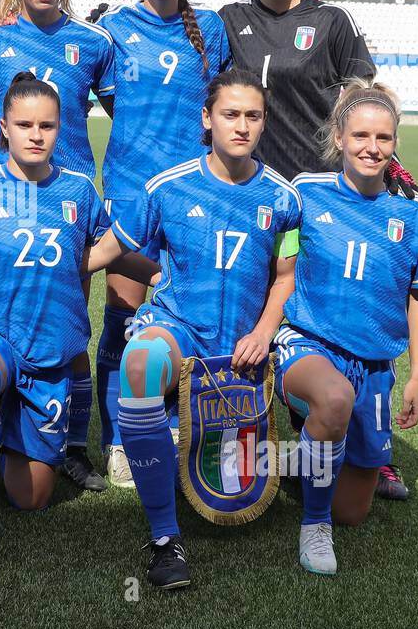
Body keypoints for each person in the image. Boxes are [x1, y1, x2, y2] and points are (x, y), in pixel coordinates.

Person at [219, 0, 418, 499]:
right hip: (271, 198)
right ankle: (249, 440)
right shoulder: (232, 21)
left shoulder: (330, 22)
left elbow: (367, 95)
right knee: (267, 314)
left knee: (355, 310)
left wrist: (381, 162)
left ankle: (370, 445)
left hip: (331, 197)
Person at [82, 69, 301, 589]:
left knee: (232, 482)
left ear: (264, 122)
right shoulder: (168, 187)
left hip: (241, 345)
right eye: (230, 114)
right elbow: (110, 250)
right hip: (176, 326)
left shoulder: (284, 199)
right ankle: (163, 538)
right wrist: (45, 266)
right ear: (208, 119)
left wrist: (265, 332)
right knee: (138, 368)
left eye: (252, 116)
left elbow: (286, 279)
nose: (241, 126)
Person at [0, 72, 117, 584]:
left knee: (31, 499)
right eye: (24, 125)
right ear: (3, 128)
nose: (36, 135)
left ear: (62, 129)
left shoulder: (79, 190)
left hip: (47, 347)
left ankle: (1, 433)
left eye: (47, 126)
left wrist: (87, 265)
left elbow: (95, 249)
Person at [0, 0, 115, 488]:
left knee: (69, 330)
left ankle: (71, 443)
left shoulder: (93, 44)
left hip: (66, 202)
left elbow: (116, 113)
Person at [86, 0, 232, 490]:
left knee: (182, 320)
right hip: (128, 191)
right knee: (125, 325)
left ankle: (174, 429)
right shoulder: (114, 30)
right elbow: (88, 97)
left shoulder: (210, 31)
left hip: (193, 201)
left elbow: (219, 107)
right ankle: (120, 441)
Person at [275, 78, 418, 574]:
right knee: (333, 399)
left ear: (395, 144)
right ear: (339, 139)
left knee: (354, 512)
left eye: (383, 138)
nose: (372, 147)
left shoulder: (414, 212)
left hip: (373, 362)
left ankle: (300, 455)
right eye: (361, 136)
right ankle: (313, 527)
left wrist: (414, 376)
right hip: (306, 342)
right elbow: (277, 265)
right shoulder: (304, 192)